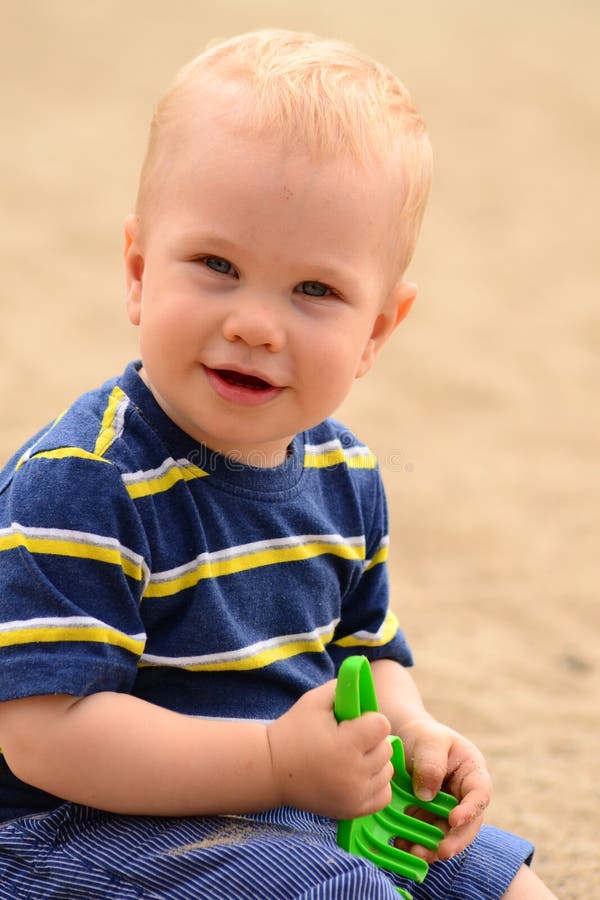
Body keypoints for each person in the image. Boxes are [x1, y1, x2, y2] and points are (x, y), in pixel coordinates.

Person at [0, 29, 556, 899]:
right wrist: (270, 761)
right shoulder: (85, 479)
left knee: (500, 884)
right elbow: (43, 733)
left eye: (315, 291)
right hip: (86, 828)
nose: (257, 324)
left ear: (376, 331)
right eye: (217, 265)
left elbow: (365, 652)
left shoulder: (347, 473)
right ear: (140, 270)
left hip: (291, 803)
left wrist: (413, 735)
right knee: (343, 891)